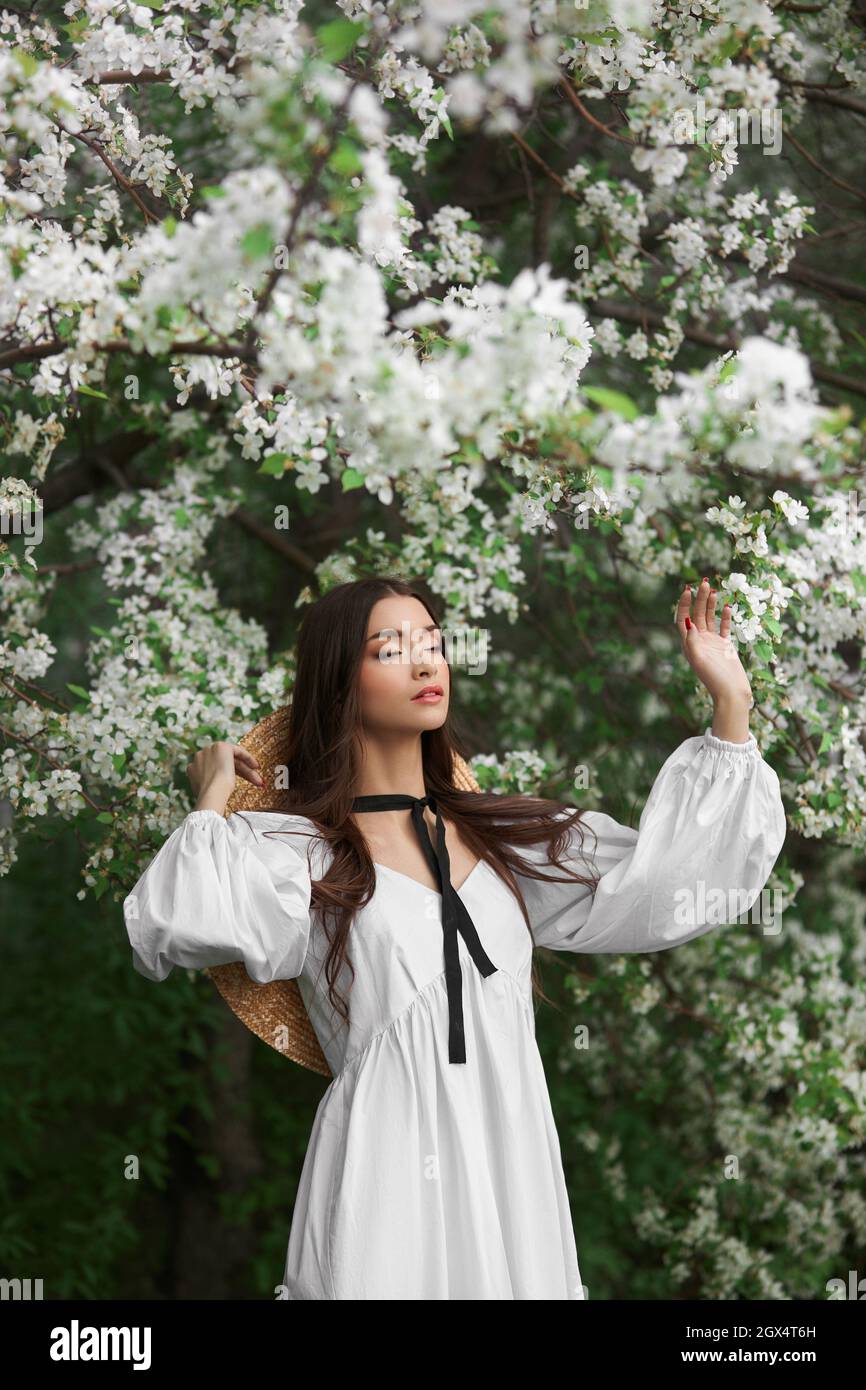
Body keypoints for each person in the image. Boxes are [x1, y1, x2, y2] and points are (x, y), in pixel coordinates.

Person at [122, 574, 787, 1300]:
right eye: (391, 648)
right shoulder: (299, 854)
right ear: (339, 680)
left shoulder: (510, 840)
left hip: (512, 1160)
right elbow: (171, 924)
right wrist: (214, 795)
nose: (425, 661)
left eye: (433, 644)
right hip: (388, 1174)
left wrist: (731, 706)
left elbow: (669, 887)